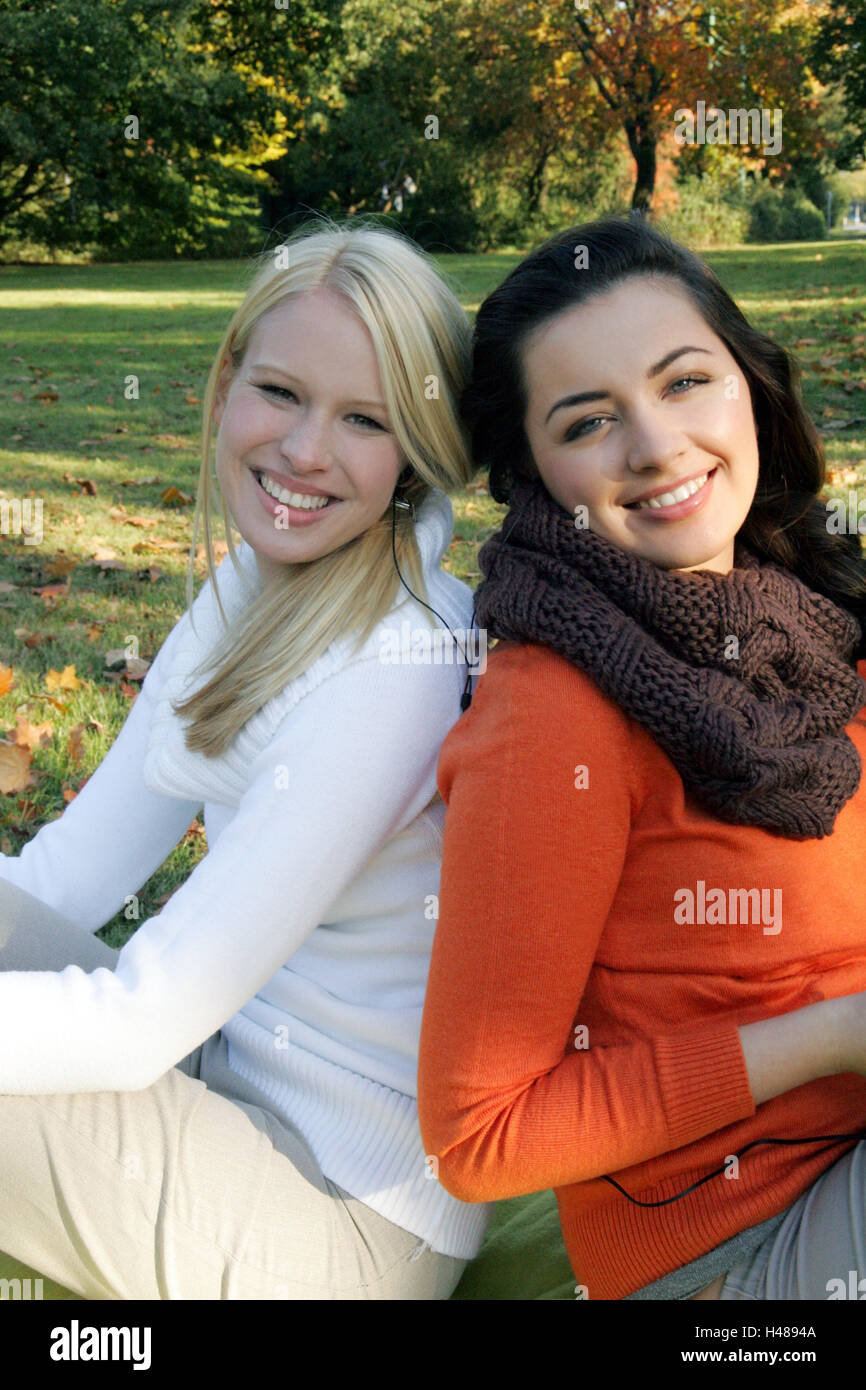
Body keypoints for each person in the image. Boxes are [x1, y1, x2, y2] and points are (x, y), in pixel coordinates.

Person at [0, 218, 491, 1299]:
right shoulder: (254, 588)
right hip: (224, 1104)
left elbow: (143, 1021)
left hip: (346, 1227)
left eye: (363, 418)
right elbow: (62, 878)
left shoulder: (400, 662)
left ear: (414, 448)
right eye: (279, 392)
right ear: (225, 385)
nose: (304, 450)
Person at [418, 215, 866, 1301]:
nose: (656, 445)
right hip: (736, 1254)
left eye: (683, 382)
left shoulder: (812, 610)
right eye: (587, 421)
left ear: (748, 383)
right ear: (533, 472)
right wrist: (835, 1036)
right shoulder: (554, 713)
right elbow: (479, 1132)